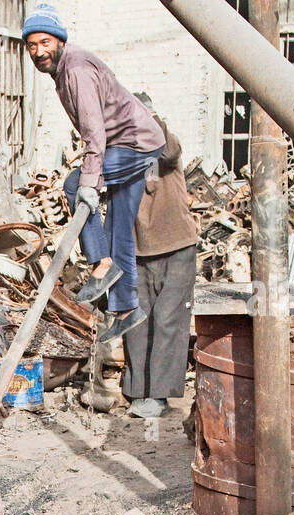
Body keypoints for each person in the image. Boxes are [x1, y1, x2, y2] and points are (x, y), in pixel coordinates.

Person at [22, 3, 165, 341]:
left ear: (59, 41)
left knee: (75, 184)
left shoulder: (75, 69)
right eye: (32, 45)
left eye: (45, 42)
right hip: (136, 143)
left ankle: (101, 263)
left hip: (134, 144)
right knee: (119, 228)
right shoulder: (63, 69)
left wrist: (89, 181)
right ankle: (127, 308)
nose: (39, 51)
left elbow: (93, 131)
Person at [122, 93, 199, 419]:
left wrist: (148, 119)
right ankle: (137, 391)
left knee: (169, 321)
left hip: (177, 246)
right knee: (137, 320)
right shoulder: (123, 153)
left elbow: (167, 150)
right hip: (138, 249)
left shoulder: (166, 144)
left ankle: (160, 396)